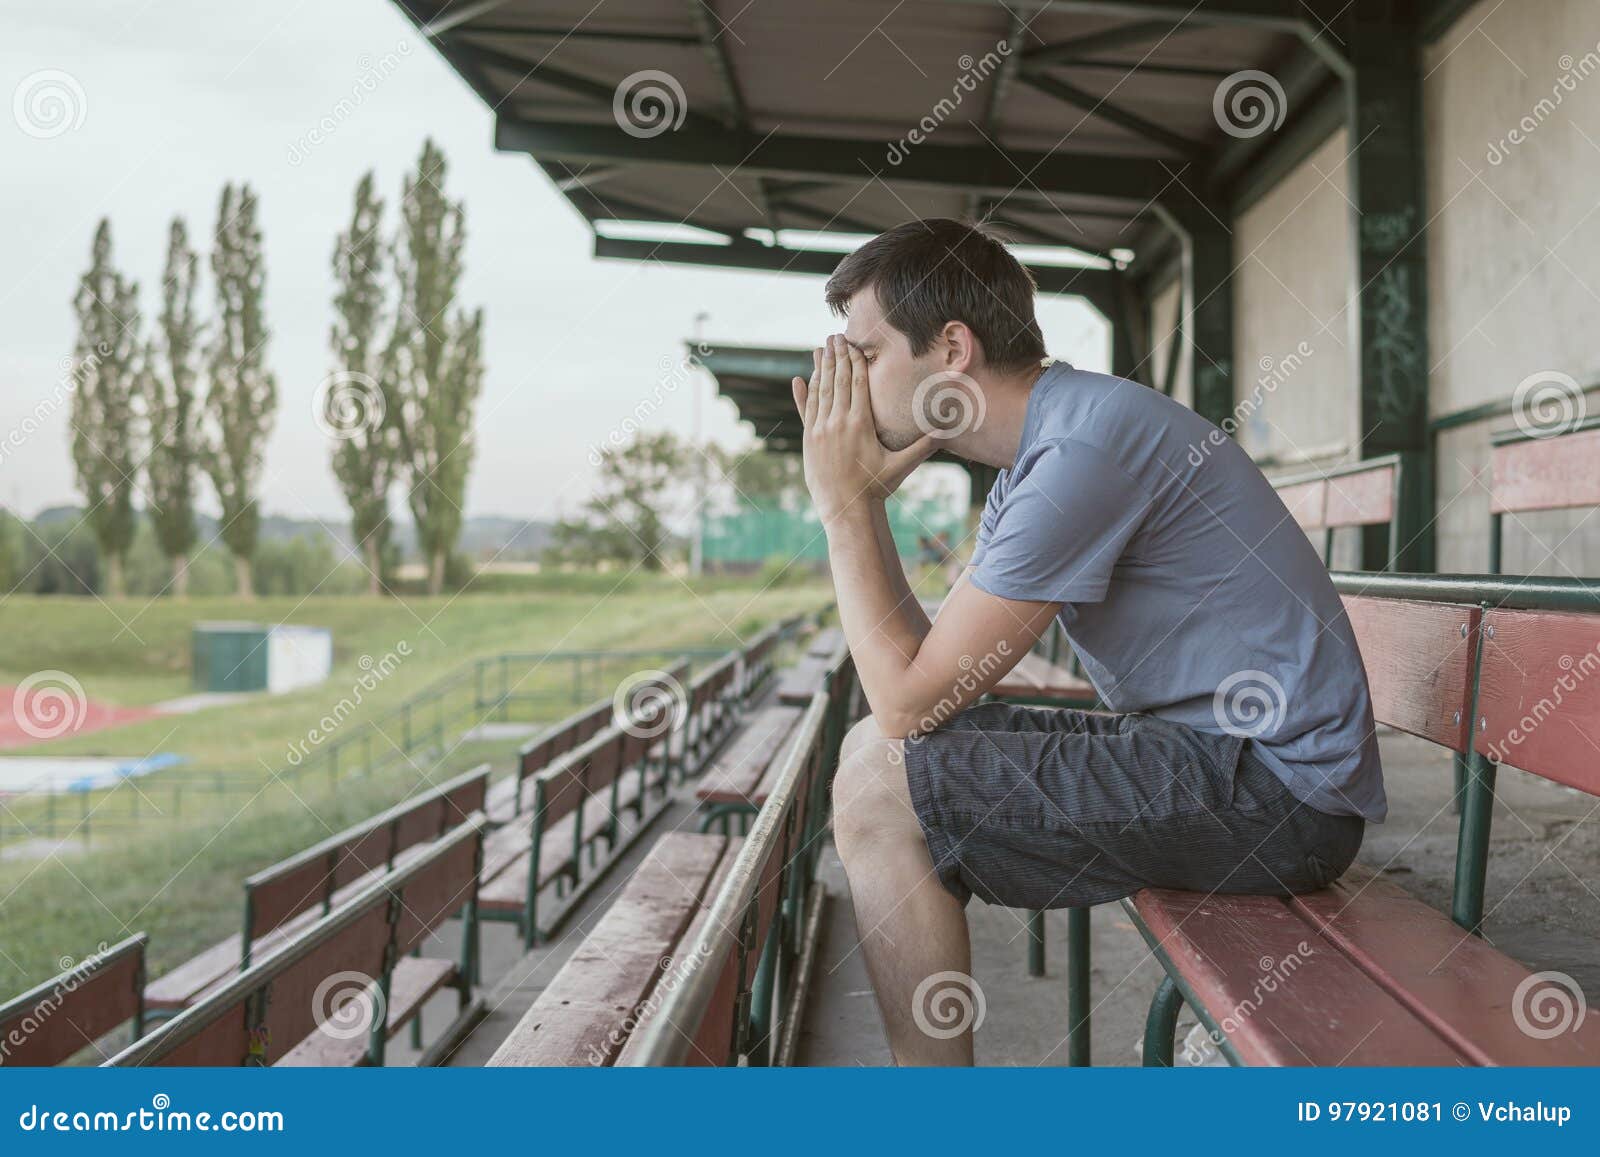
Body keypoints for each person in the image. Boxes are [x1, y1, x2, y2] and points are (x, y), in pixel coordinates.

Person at [790, 218, 1383, 1066]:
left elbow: (905, 697)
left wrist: (841, 506)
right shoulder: (1047, 450)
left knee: (883, 786)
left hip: (1281, 797)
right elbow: (925, 682)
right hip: (1217, 760)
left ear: (951, 346)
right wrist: (865, 507)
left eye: (864, 351)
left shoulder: (1081, 450)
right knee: (871, 757)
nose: (842, 379)